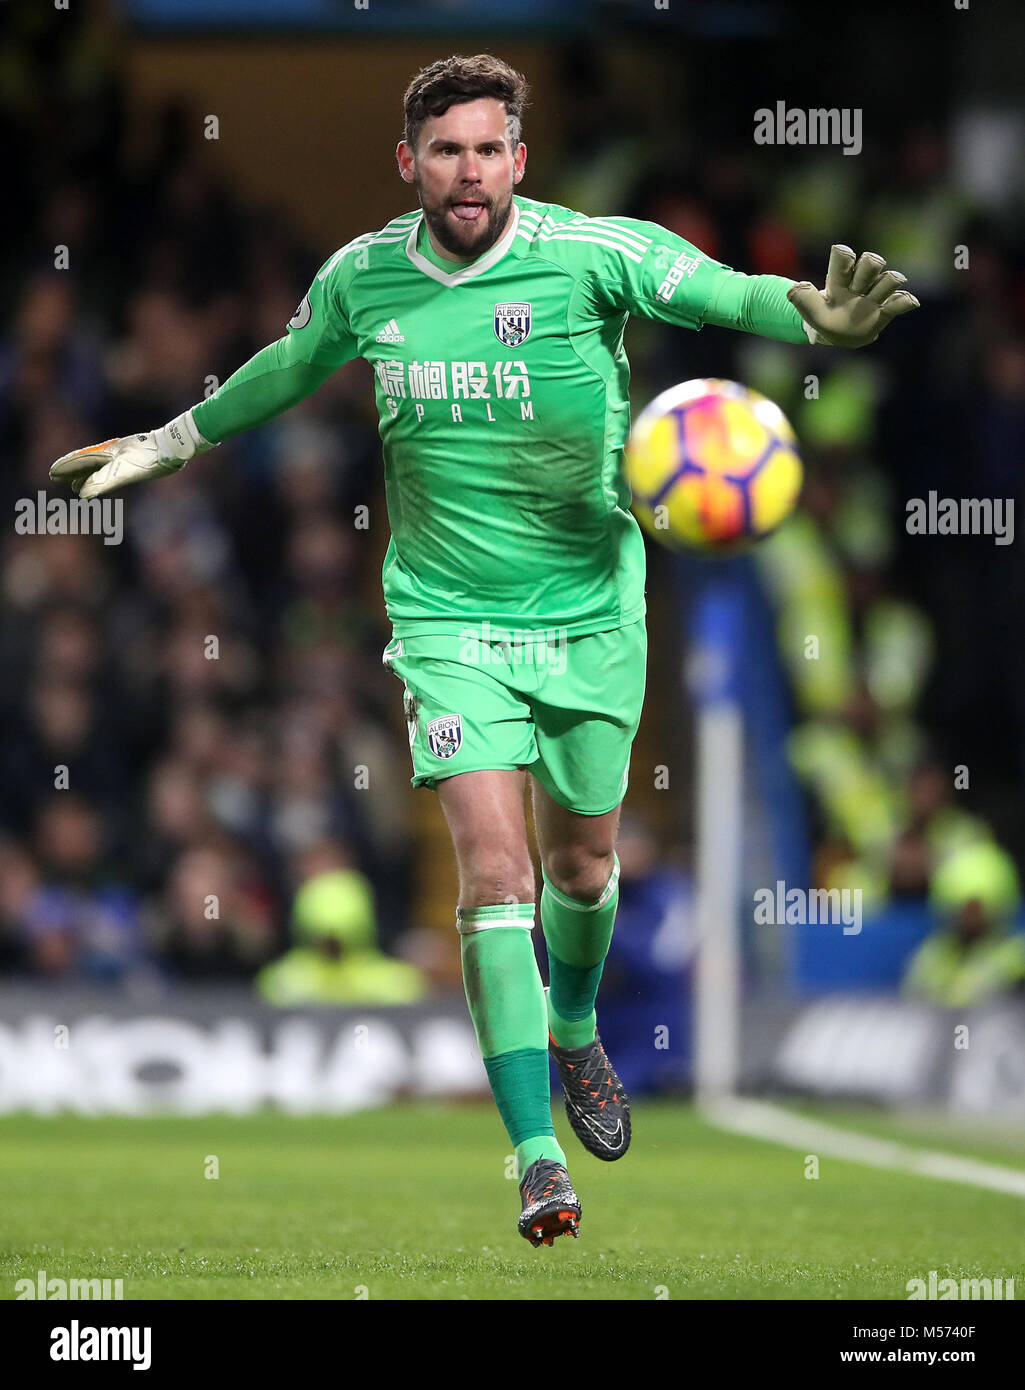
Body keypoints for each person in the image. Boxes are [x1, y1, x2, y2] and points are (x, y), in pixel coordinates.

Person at [49, 53, 919, 1246]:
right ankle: (533, 1155)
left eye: (488, 148)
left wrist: (804, 312)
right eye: (445, 150)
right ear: (408, 162)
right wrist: (171, 438)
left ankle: (574, 1030)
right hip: (446, 622)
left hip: (590, 613)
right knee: (496, 877)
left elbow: (716, 292)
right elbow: (289, 366)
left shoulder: (591, 252)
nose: (468, 171)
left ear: (519, 158)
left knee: (581, 873)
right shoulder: (363, 277)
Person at [902, 841, 1025, 1008]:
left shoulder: (1016, 962)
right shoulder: (930, 959)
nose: (970, 919)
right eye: (962, 909)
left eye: (977, 910)